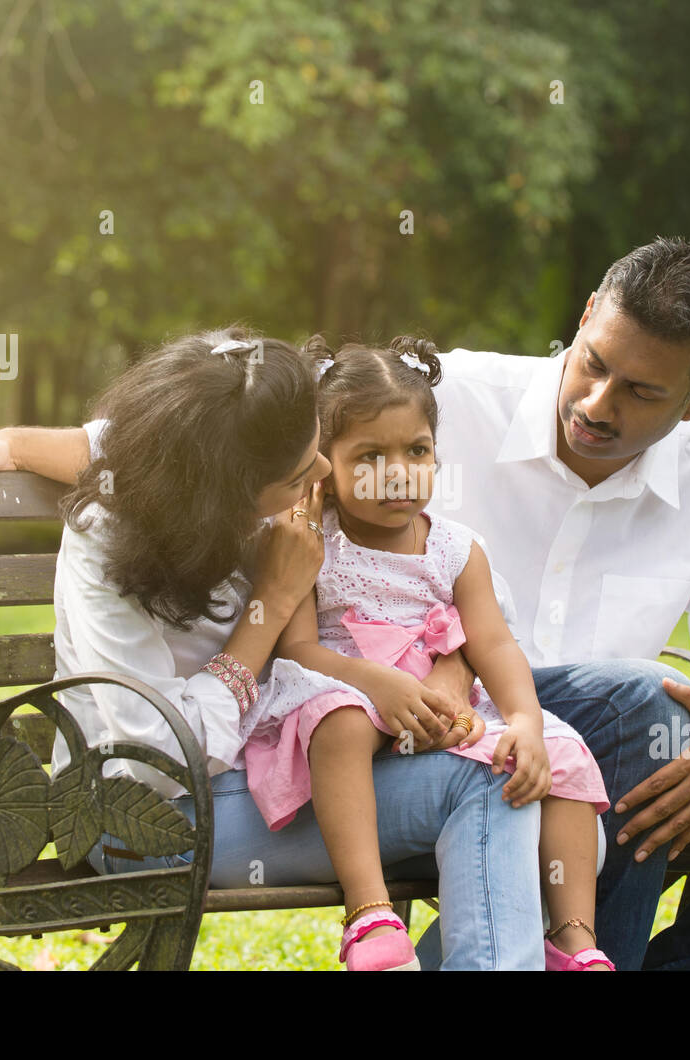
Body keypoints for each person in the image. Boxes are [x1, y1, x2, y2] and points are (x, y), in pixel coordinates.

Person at [0, 237, 690, 971]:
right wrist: (37, 441)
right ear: (578, 322)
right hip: (414, 720)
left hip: (552, 741)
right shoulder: (445, 396)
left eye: (641, 391)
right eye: (592, 362)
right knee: (634, 707)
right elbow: (237, 414)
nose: (599, 401)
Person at [0, 326, 546, 970]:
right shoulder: (110, 545)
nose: (324, 476)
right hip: (151, 811)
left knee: (577, 832)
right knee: (494, 789)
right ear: (225, 494)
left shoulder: (238, 451)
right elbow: (156, 760)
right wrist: (269, 606)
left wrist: (13, 442)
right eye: (298, 475)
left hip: (291, 760)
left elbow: (140, 435)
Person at [239, 336, 611, 971]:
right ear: (325, 465)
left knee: (563, 746)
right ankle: (369, 914)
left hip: (449, 710)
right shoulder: (311, 545)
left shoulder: (456, 548)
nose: (398, 472)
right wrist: (378, 685)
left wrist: (523, 720)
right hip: (353, 694)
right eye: (369, 455)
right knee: (339, 719)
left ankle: (574, 942)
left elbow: (493, 644)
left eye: (417, 450)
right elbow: (298, 650)